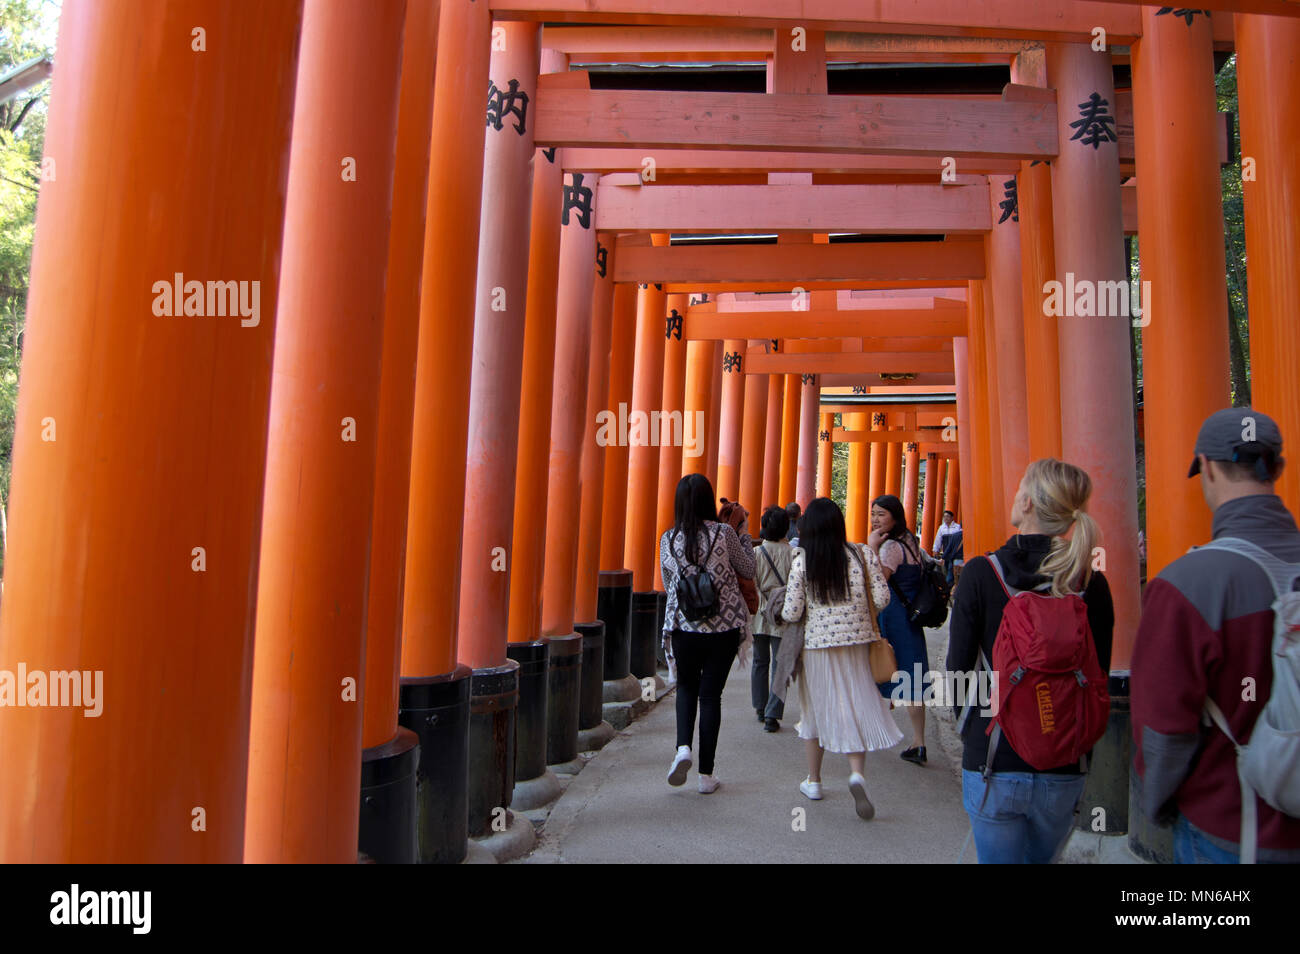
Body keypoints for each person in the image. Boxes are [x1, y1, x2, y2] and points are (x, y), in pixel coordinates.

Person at [1132, 408, 1300, 863]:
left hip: (1231, 826)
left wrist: (1157, 803)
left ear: (1205, 467)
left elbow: (1163, 727)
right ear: (1278, 468)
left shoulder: (1187, 584)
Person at [947, 459, 1114, 864]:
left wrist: (968, 726)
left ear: (1026, 503)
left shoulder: (982, 574)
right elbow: (1098, 677)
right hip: (1065, 760)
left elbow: (957, 671)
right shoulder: (1091, 582)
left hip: (993, 755)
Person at [781, 497, 902, 820]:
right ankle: (856, 774)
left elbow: (791, 611)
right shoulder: (861, 554)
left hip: (818, 646)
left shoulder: (802, 561)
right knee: (856, 704)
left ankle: (815, 781)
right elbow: (882, 597)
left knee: (814, 711)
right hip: (858, 644)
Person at [659, 473, 755, 795]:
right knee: (711, 696)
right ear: (707, 499)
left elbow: (667, 583)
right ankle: (706, 775)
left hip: (685, 626)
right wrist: (743, 533)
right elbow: (749, 570)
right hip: (723, 626)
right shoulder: (724, 533)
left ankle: (682, 748)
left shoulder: (668, 539)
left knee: (686, 688)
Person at [868, 494, 930, 765]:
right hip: (911, 619)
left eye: (881, 514)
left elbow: (878, 583)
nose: (875, 519)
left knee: (881, 671)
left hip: (894, 618)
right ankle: (919, 741)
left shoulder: (891, 547)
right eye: (873, 514)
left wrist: (871, 548)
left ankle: (875, 734)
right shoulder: (911, 541)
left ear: (894, 516)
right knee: (914, 677)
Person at [752, 506, 795, 732]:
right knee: (780, 665)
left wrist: (762, 604)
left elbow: (753, 583)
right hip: (784, 614)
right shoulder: (794, 553)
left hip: (761, 613)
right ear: (786, 528)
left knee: (760, 661)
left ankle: (759, 707)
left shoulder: (757, 553)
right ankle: (772, 714)